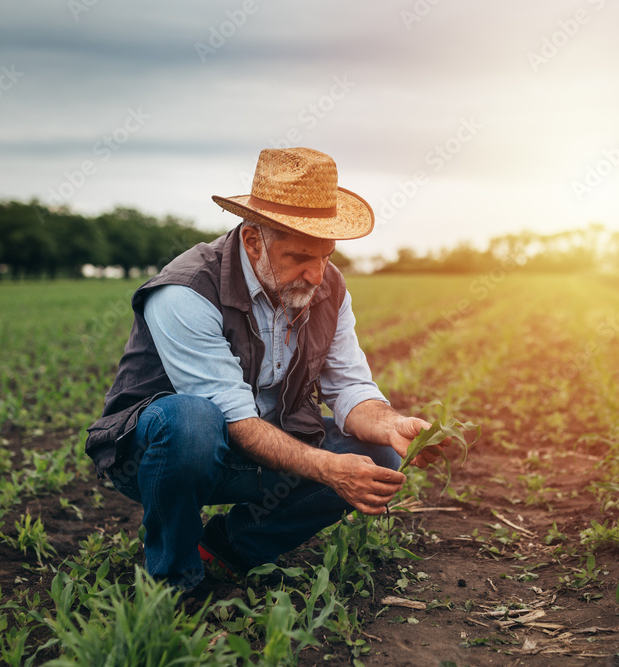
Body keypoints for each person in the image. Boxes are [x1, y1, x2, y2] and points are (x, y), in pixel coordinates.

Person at [85, 147, 445, 595]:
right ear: (253, 240)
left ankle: (227, 549)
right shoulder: (186, 291)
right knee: (192, 421)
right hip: (165, 455)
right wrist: (329, 470)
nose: (316, 275)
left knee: (379, 454)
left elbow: (350, 386)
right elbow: (232, 419)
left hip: (263, 446)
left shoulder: (327, 287)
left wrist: (394, 425)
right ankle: (174, 582)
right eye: (298, 258)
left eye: (325, 256)